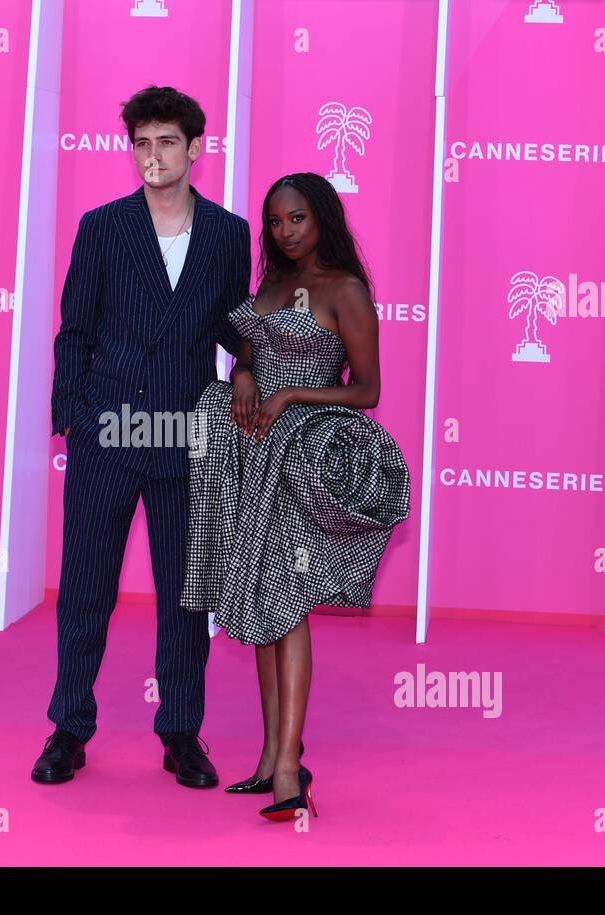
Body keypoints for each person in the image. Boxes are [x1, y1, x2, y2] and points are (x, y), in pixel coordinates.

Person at [33, 86, 253, 787]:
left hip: (186, 436)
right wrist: (72, 414)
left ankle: (181, 732)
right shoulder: (103, 228)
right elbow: (76, 331)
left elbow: (231, 327)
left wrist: (289, 351)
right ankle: (68, 728)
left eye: (165, 142)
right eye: (141, 142)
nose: (152, 155)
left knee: (187, 596)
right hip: (108, 431)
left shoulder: (227, 234)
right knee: (85, 589)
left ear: (195, 149)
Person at [180, 173, 412, 821]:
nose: (284, 232)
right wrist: (250, 375)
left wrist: (290, 395)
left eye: (297, 219)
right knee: (258, 596)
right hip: (251, 449)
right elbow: (249, 350)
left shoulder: (345, 290)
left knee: (285, 602)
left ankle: (288, 769)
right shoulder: (272, 287)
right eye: (275, 222)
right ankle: (269, 759)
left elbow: (366, 390)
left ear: (323, 218)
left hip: (302, 453)